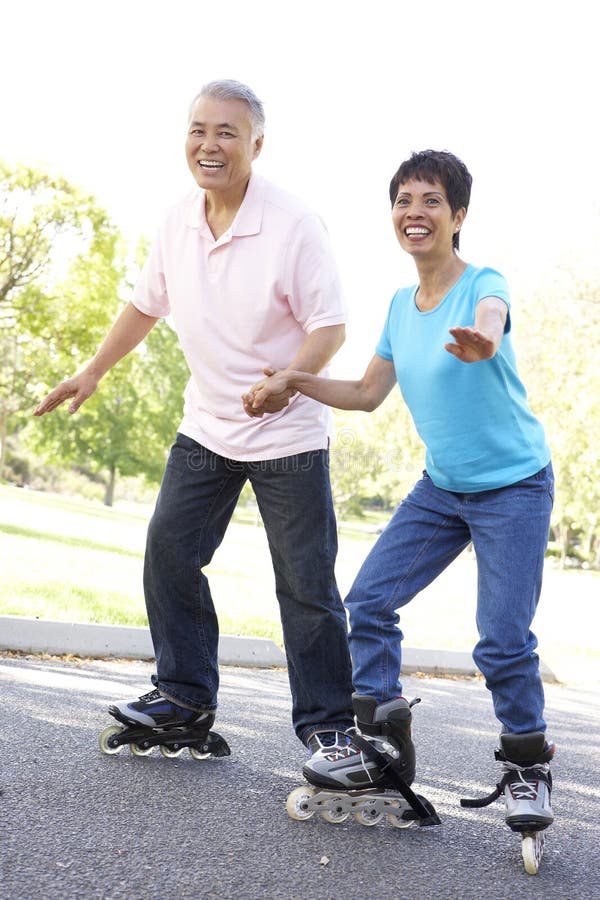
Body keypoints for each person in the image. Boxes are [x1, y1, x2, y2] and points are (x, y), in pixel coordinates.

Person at [34, 79, 354, 754]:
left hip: (288, 433)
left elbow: (330, 327)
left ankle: (330, 729)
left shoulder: (293, 224)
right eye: (198, 130)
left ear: (256, 145)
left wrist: (289, 381)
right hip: (209, 424)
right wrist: (94, 369)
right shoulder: (177, 220)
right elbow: (145, 305)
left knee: (305, 585)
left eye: (226, 132)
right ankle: (183, 696)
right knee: (170, 553)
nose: (209, 144)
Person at [245, 150, 555, 833]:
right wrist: (295, 380)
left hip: (514, 488)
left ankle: (527, 767)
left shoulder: (483, 284)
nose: (415, 213)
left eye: (431, 201)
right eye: (404, 200)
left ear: (458, 216)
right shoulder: (397, 305)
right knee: (368, 600)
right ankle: (382, 741)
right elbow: (365, 393)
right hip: (442, 489)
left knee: (502, 640)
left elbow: (493, 315)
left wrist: (484, 340)